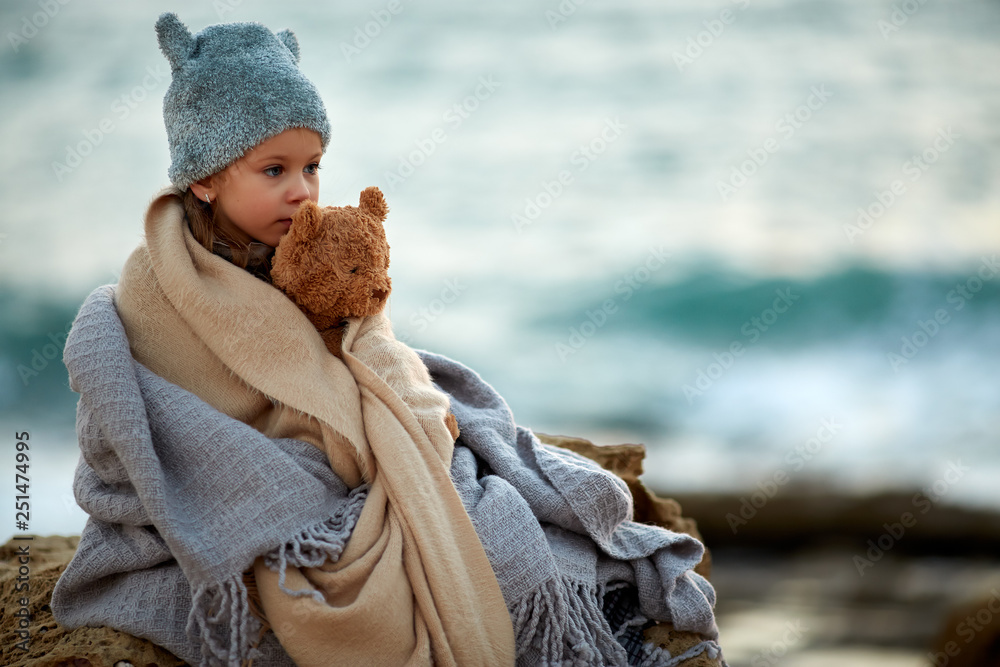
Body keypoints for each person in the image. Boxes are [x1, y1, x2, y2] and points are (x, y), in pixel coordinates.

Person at [51, 12, 725, 667]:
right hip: (270, 472)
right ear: (204, 176)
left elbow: (372, 344)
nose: (301, 192)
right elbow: (191, 411)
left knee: (507, 509)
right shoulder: (163, 287)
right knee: (351, 553)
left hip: (349, 451)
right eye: (273, 170)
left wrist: (394, 402)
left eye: (312, 166)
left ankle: (596, 622)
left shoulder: (312, 254)